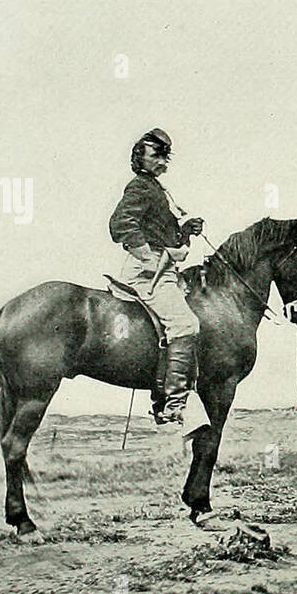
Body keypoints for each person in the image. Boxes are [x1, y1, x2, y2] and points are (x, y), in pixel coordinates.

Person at [108, 128, 206, 425]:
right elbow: (121, 223)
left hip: (163, 267)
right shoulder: (140, 186)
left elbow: (161, 233)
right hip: (149, 272)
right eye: (156, 156)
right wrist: (147, 256)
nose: (162, 162)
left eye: (165, 157)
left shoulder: (155, 188)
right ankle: (173, 404)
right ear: (140, 158)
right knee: (185, 324)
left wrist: (185, 231)